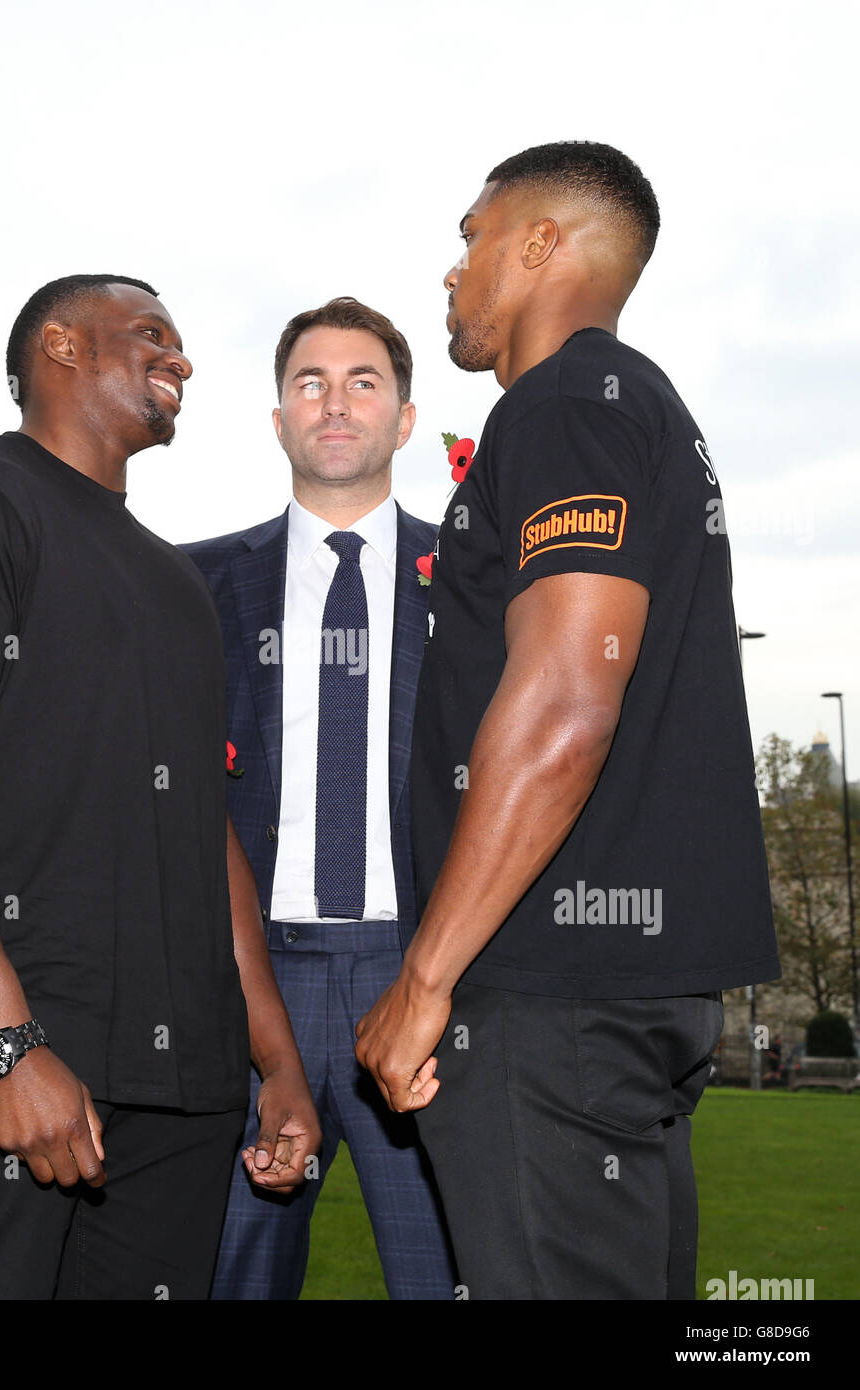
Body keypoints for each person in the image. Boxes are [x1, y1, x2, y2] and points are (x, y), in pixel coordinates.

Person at [356, 143, 781, 1300]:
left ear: (539, 243)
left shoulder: (561, 404)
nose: (450, 271)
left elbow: (562, 702)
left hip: (551, 1003)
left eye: (469, 236)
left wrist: (426, 975)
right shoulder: (638, 407)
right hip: (623, 997)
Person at [0, 274, 319, 1300]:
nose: (182, 359)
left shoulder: (177, 585)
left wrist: (275, 1062)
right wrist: (6, 1042)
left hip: (187, 1094)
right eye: (151, 335)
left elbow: (210, 842)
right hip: (22, 1065)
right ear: (59, 347)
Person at [183, 297, 456, 1300]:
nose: (334, 402)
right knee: (225, 1276)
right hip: (254, 979)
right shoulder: (190, 586)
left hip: (421, 974)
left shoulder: (477, 579)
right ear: (277, 418)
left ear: (404, 417)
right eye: (309, 381)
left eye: (361, 381)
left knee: (451, 1274)